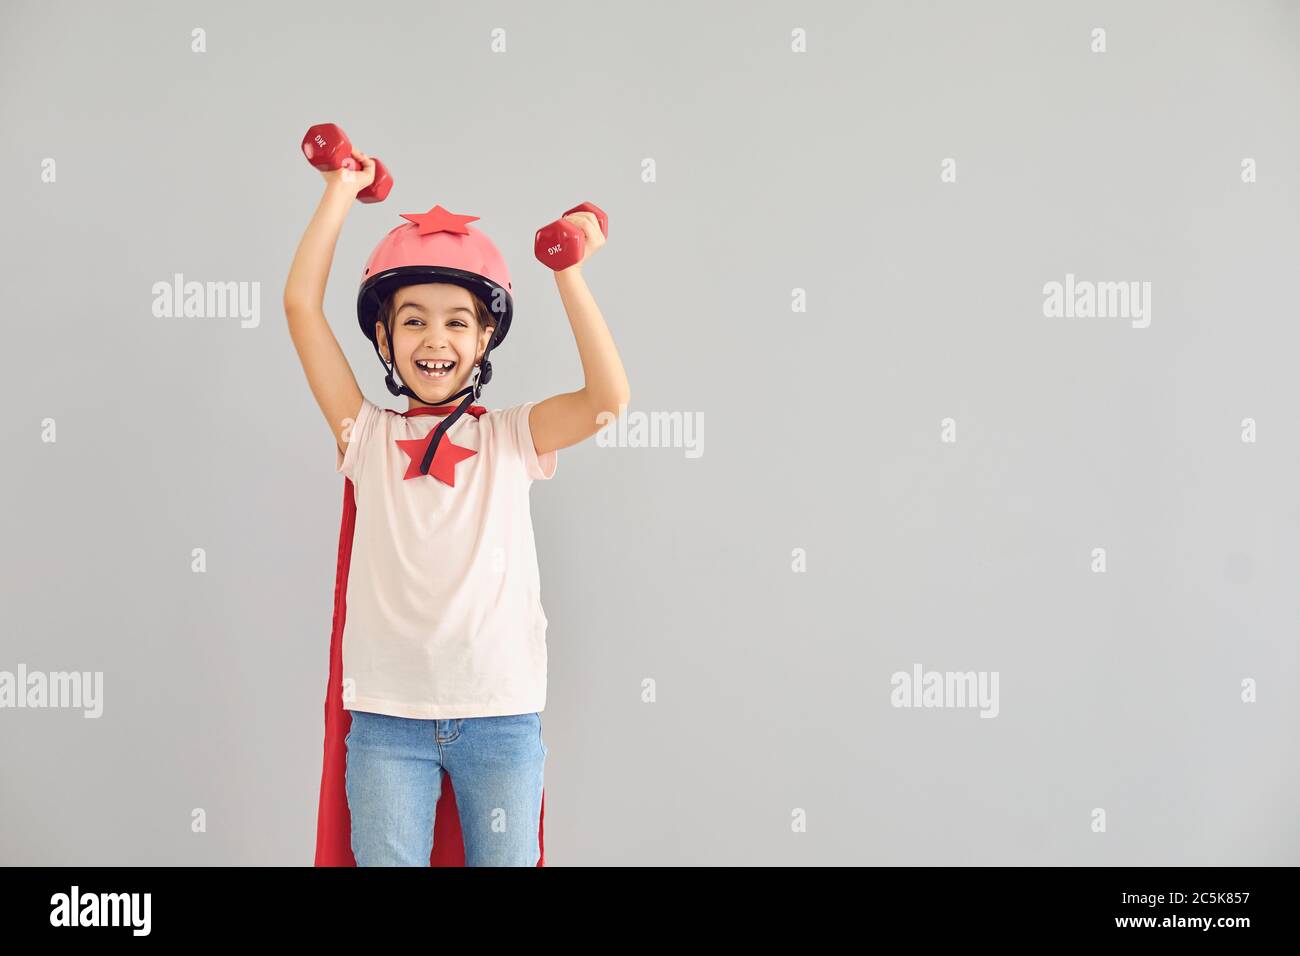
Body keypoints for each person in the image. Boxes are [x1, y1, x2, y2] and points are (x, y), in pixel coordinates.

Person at [284, 148, 630, 866]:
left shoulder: (511, 437)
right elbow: (299, 307)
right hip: (387, 722)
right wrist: (342, 189)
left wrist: (568, 272)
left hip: (499, 715)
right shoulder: (366, 435)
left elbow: (607, 402)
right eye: (411, 321)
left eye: (456, 323)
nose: (434, 339)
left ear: (484, 340)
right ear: (383, 338)